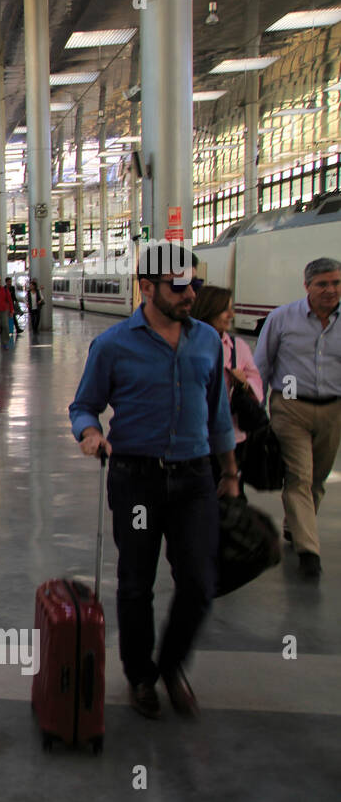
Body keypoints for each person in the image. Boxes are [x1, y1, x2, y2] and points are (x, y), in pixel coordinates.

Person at [69, 242, 238, 721]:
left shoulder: (206, 340)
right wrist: (90, 432)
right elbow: (84, 404)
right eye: (180, 286)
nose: (191, 295)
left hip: (194, 478)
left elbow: (218, 415)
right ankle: (141, 675)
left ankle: (172, 664)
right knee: (136, 583)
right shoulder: (114, 344)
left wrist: (230, 473)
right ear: (147, 288)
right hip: (135, 479)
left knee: (200, 583)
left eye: (195, 285)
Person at [252, 257, 341, 579]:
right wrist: (255, 409)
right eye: (322, 284)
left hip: (333, 409)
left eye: (336, 283)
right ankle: (309, 551)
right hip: (290, 407)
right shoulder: (282, 319)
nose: (330, 290)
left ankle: (296, 525)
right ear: (307, 287)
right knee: (299, 477)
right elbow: (261, 365)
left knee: (317, 478)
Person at [191, 285, 264, 487]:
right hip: (193, 439)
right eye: (225, 309)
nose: (231, 315)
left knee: (229, 504)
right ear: (209, 309)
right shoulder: (186, 343)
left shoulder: (238, 346)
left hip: (232, 438)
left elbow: (258, 386)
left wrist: (244, 383)